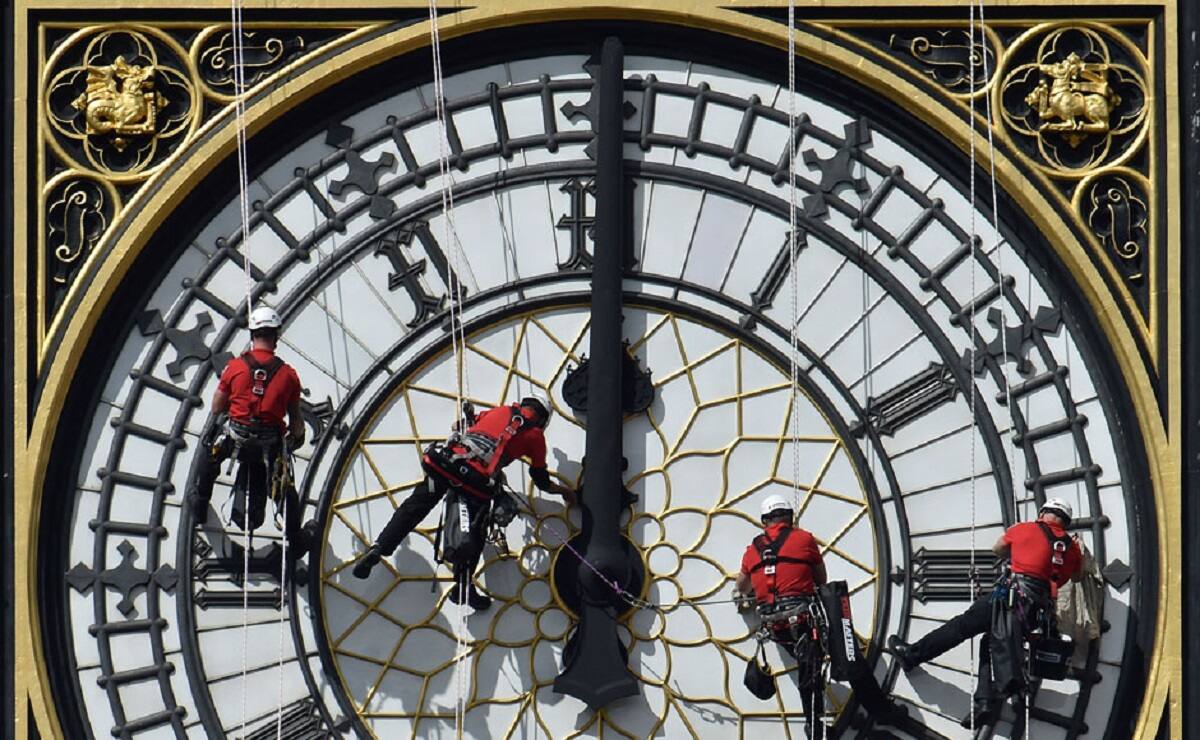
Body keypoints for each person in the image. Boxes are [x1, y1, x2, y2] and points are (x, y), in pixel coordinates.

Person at [352, 395, 576, 612]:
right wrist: (565, 492)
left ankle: (379, 547)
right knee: (474, 530)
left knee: (415, 506)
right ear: (542, 418)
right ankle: (463, 586)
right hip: (474, 481)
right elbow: (541, 479)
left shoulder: (501, 410)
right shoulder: (535, 435)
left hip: (446, 464)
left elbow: (459, 425)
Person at [886, 497, 1083, 727]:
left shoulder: (1025, 529)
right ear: (1065, 522)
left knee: (962, 626)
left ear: (1043, 513)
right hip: (1036, 613)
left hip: (1009, 600)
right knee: (990, 643)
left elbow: (998, 549)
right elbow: (1077, 576)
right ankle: (984, 702)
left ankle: (911, 655)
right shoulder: (1072, 549)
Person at [737, 495, 907, 736]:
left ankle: (818, 725)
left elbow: (742, 586)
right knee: (848, 656)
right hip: (804, 620)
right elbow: (821, 579)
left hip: (777, 628)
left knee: (809, 668)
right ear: (790, 517)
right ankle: (871, 712)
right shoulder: (804, 539)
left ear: (765, 521)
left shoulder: (752, 550)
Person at [188, 305, 310, 551]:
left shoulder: (235, 367)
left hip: (237, 440)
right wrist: (296, 437)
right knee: (285, 487)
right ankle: (296, 539)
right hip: (270, 445)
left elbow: (216, 407)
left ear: (253, 334)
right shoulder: (288, 375)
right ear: (276, 336)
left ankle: (200, 505)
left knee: (208, 458)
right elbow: (296, 421)